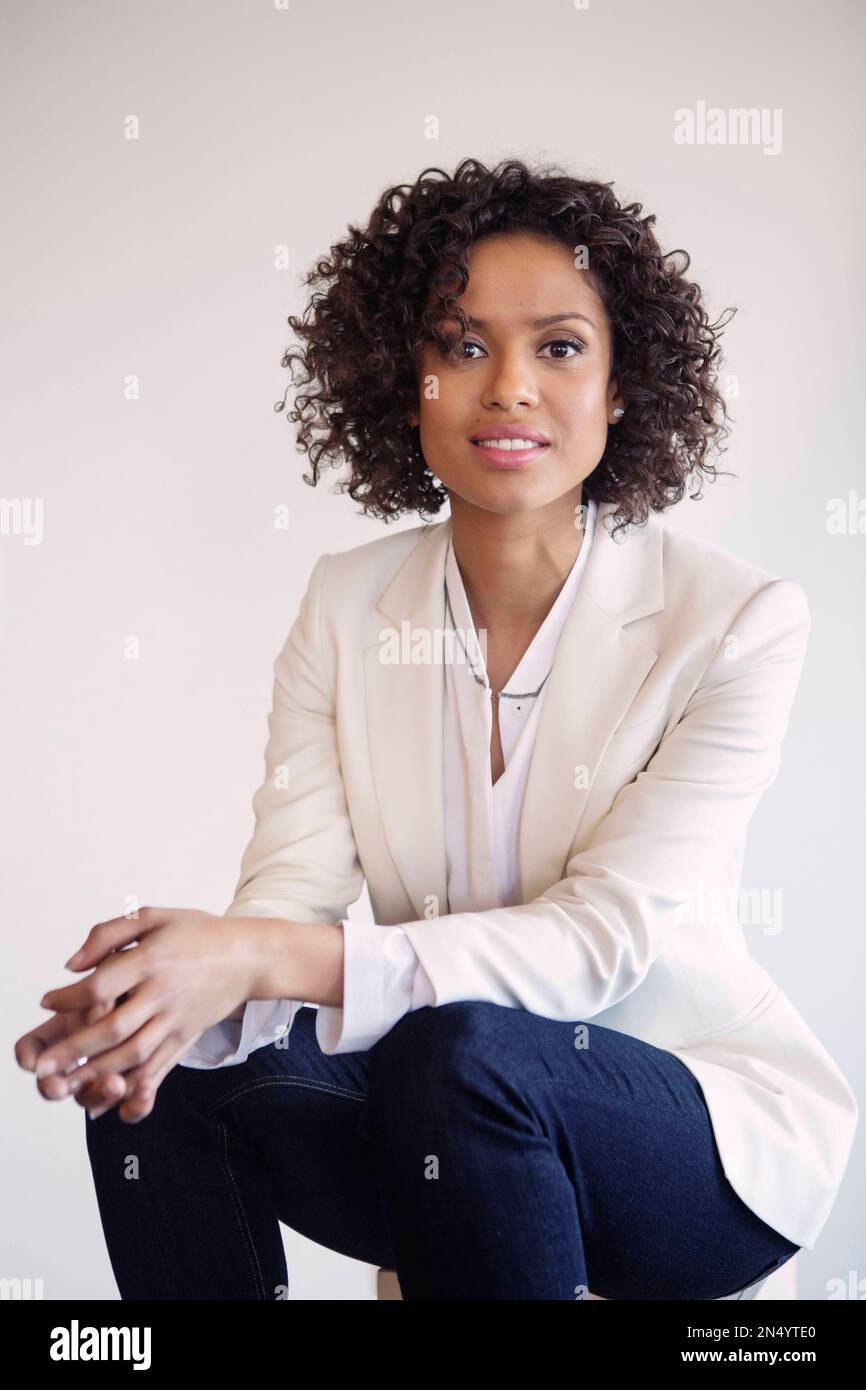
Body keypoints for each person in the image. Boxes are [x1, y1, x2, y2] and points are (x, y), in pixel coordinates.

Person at [15, 157, 857, 1300]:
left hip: (692, 1141)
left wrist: (256, 955)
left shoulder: (733, 620)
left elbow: (598, 941)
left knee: (457, 1047)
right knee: (165, 1072)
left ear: (620, 384)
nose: (506, 386)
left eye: (557, 346)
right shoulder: (345, 603)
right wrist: (168, 987)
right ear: (400, 380)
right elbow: (290, 897)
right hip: (441, 1126)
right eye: (461, 346)